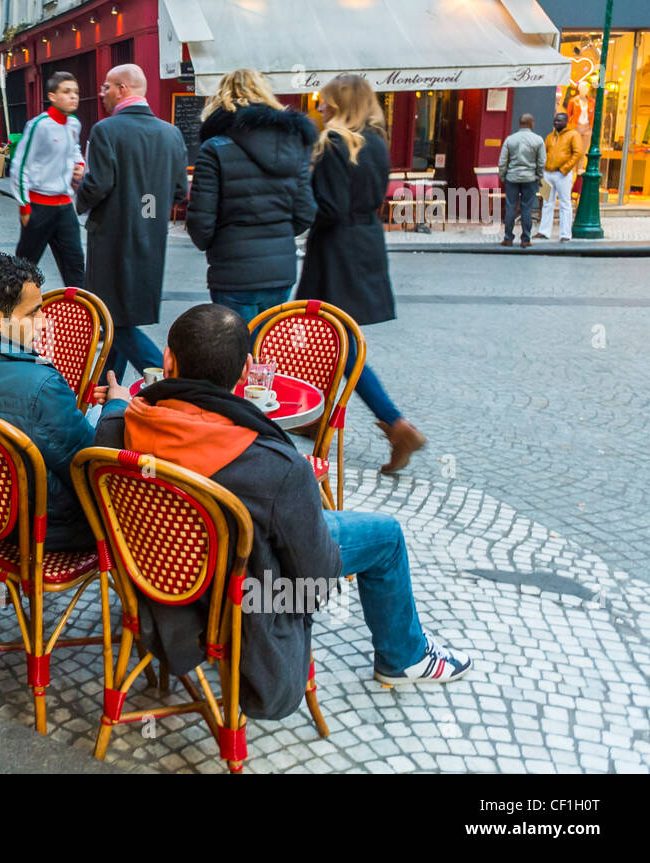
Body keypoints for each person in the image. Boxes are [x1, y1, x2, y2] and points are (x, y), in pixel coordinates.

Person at [99, 304, 471, 719]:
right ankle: (404, 658)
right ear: (245, 373)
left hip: (153, 576)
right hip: (233, 596)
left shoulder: (118, 429)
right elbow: (317, 573)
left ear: (166, 360)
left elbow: (110, 423)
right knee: (385, 535)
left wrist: (115, 402)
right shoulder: (277, 466)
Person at [0, 253, 131, 552]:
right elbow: (93, 470)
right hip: (44, 529)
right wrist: (117, 408)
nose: (44, 323)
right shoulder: (40, 387)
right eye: (33, 313)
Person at [296, 74, 424, 474]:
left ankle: (395, 423)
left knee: (339, 341)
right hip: (364, 242)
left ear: (341, 104)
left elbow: (329, 207)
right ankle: (319, 413)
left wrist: (300, 202)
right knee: (330, 338)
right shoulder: (376, 141)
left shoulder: (336, 142)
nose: (320, 107)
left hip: (337, 251)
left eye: (326, 101)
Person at [75, 63, 188, 382]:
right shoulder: (171, 133)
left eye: (106, 87)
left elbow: (98, 185)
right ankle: (103, 389)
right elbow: (180, 190)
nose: (102, 94)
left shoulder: (106, 130)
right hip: (151, 238)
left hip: (112, 238)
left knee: (111, 320)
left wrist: (80, 188)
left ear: (123, 89)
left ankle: (171, 382)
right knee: (117, 317)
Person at [186, 69, 317, 324]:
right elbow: (305, 211)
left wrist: (216, 244)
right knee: (267, 351)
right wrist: (276, 235)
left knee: (237, 353)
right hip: (280, 269)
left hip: (233, 270)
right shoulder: (293, 144)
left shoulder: (215, 147)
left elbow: (201, 220)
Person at [10, 71, 86, 289]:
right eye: (66, 92)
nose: (73, 96)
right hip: (39, 206)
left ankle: (82, 317)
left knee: (75, 264)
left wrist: (79, 165)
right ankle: (12, 311)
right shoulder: (39, 125)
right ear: (52, 96)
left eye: (76, 92)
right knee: (24, 267)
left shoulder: (74, 124)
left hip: (64, 206)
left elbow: (75, 150)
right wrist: (24, 205)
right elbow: (20, 165)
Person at [497, 113, 546, 248]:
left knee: (510, 207)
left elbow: (502, 161)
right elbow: (541, 162)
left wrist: (503, 176)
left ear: (520, 124)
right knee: (527, 208)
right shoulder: (538, 140)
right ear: (532, 123)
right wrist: (539, 176)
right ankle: (525, 239)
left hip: (512, 177)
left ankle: (508, 238)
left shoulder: (510, 140)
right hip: (530, 178)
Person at [538, 111, 582, 243]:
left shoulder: (573, 135)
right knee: (546, 203)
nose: (556, 123)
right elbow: (544, 152)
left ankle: (565, 234)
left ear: (565, 122)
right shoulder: (549, 137)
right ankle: (544, 232)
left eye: (559, 121)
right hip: (547, 173)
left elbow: (578, 153)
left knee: (565, 204)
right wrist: (543, 168)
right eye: (555, 120)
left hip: (563, 174)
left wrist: (565, 169)